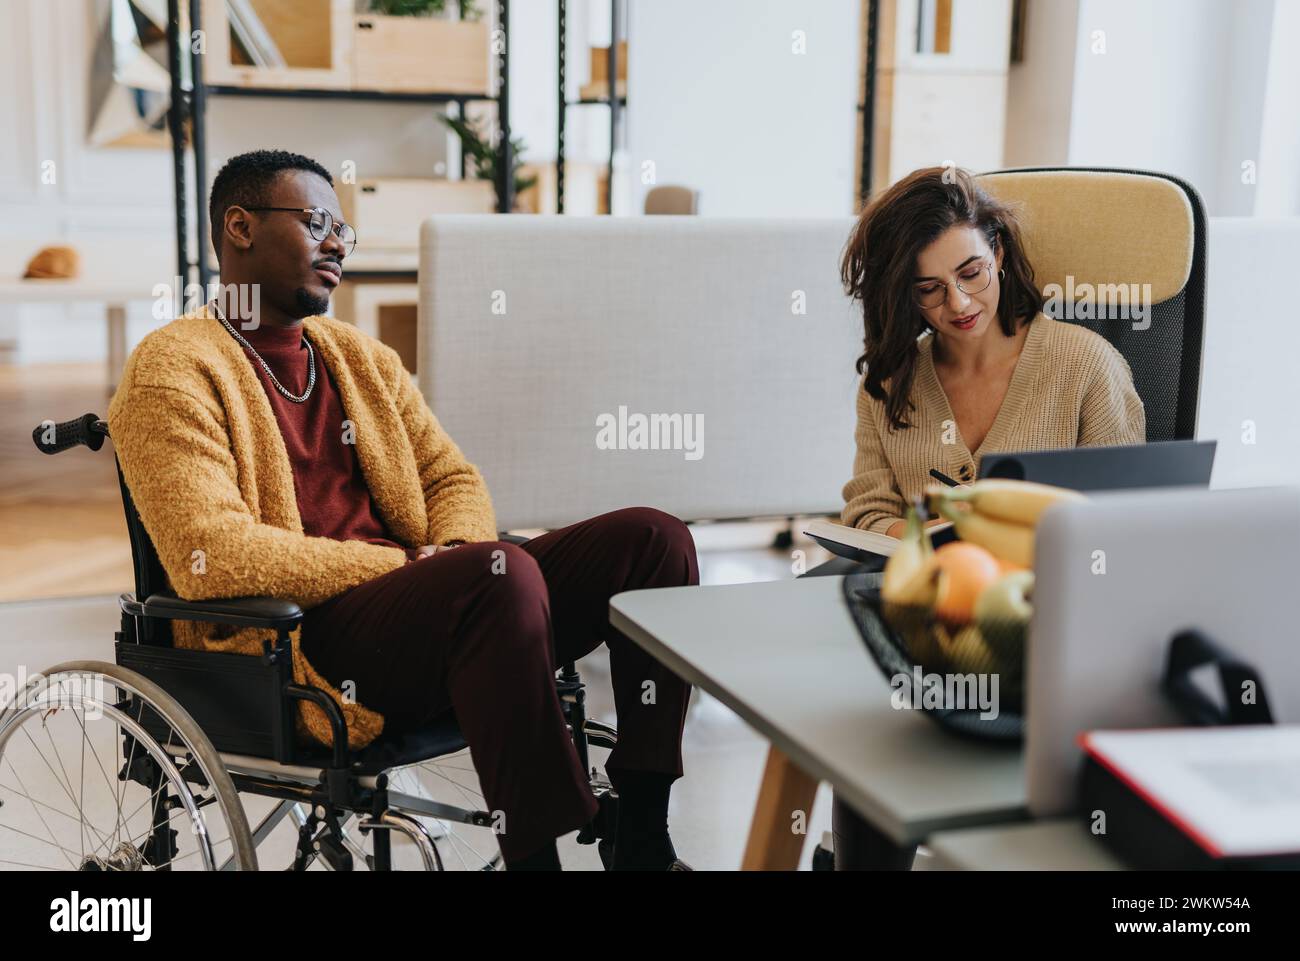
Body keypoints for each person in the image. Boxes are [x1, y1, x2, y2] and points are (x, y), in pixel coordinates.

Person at [108, 149, 696, 871]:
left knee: (655, 539)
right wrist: (405, 564)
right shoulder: (172, 368)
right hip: (303, 642)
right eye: (316, 221)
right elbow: (214, 555)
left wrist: (448, 551)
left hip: (435, 600)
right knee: (495, 573)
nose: (335, 243)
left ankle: (640, 831)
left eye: (342, 230)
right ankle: (534, 860)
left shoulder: (362, 358)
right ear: (239, 227)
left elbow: (453, 476)